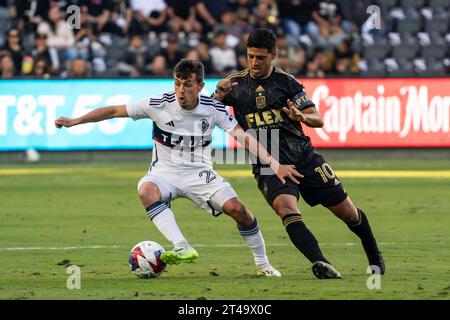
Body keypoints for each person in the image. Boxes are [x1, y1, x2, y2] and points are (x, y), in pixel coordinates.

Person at [55, 59, 302, 276]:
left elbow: (244, 137)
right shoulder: (158, 104)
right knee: (146, 189)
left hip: (200, 174)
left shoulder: (213, 109)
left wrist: (274, 163)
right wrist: (76, 120)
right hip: (165, 173)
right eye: (177, 83)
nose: (180, 90)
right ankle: (182, 246)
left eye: (187, 85)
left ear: (200, 86)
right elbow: (113, 110)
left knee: (238, 210)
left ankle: (263, 264)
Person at [213, 28, 385, 279]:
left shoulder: (287, 83)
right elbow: (207, 113)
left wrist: (301, 116)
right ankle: (321, 263)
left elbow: (318, 119)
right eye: (250, 56)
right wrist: (217, 94)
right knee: (286, 208)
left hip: (303, 157)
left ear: (273, 55)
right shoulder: (234, 84)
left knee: (347, 212)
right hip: (268, 164)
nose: (254, 62)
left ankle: (373, 253)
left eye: (260, 57)